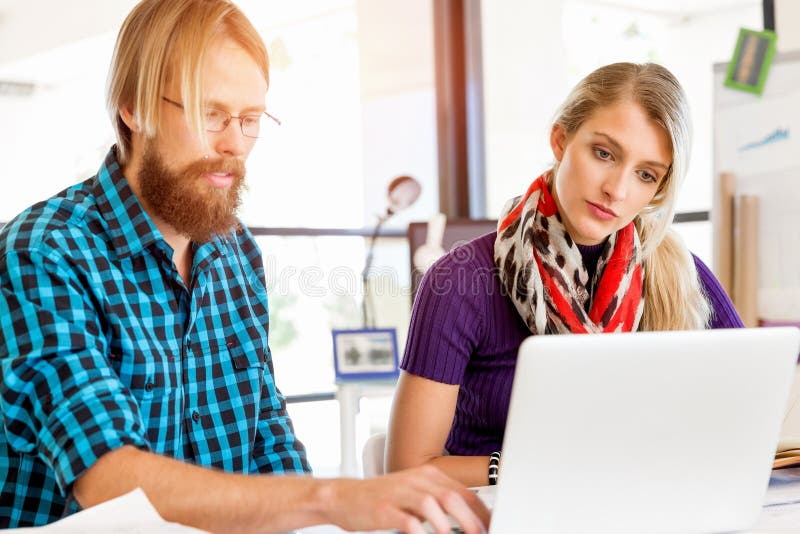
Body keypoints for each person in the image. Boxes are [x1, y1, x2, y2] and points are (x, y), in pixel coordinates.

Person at [0, 1, 490, 532]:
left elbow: (267, 439)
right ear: (133, 108)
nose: (234, 144)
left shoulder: (235, 251)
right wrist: (333, 498)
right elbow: (107, 477)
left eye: (250, 119)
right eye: (210, 114)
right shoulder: (45, 252)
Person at [385, 62, 744, 488]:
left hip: (636, 504)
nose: (617, 190)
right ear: (560, 141)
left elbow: (745, 410)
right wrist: (536, 469)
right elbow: (407, 468)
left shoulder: (679, 274)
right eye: (604, 154)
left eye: (646, 174)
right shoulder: (460, 282)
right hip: (498, 510)